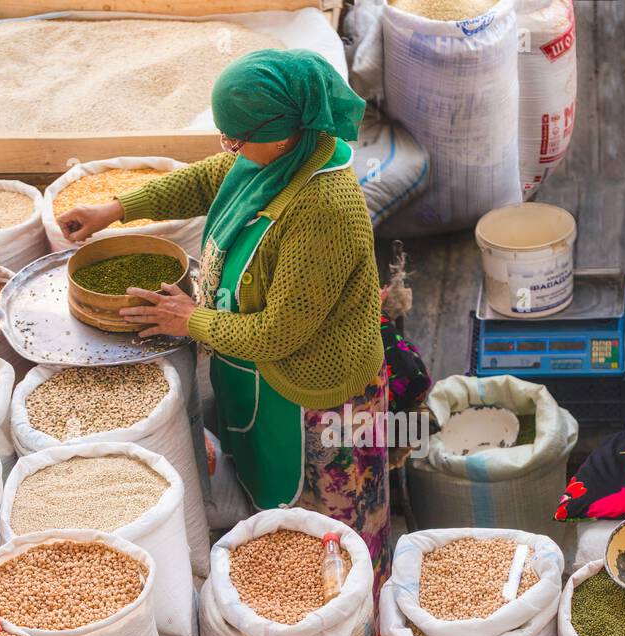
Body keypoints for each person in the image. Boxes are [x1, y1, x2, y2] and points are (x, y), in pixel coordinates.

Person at [57, 49, 390, 587]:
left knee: (331, 534)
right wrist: (116, 209)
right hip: (263, 376)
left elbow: (279, 332)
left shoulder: (324, 207)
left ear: (282, 135)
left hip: (318, 394)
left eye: (237, 138)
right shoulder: (271, 161)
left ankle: (351, 612)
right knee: (277, 527)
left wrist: (189, 320)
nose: (229, 150)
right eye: (223, 136)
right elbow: (208, 178)